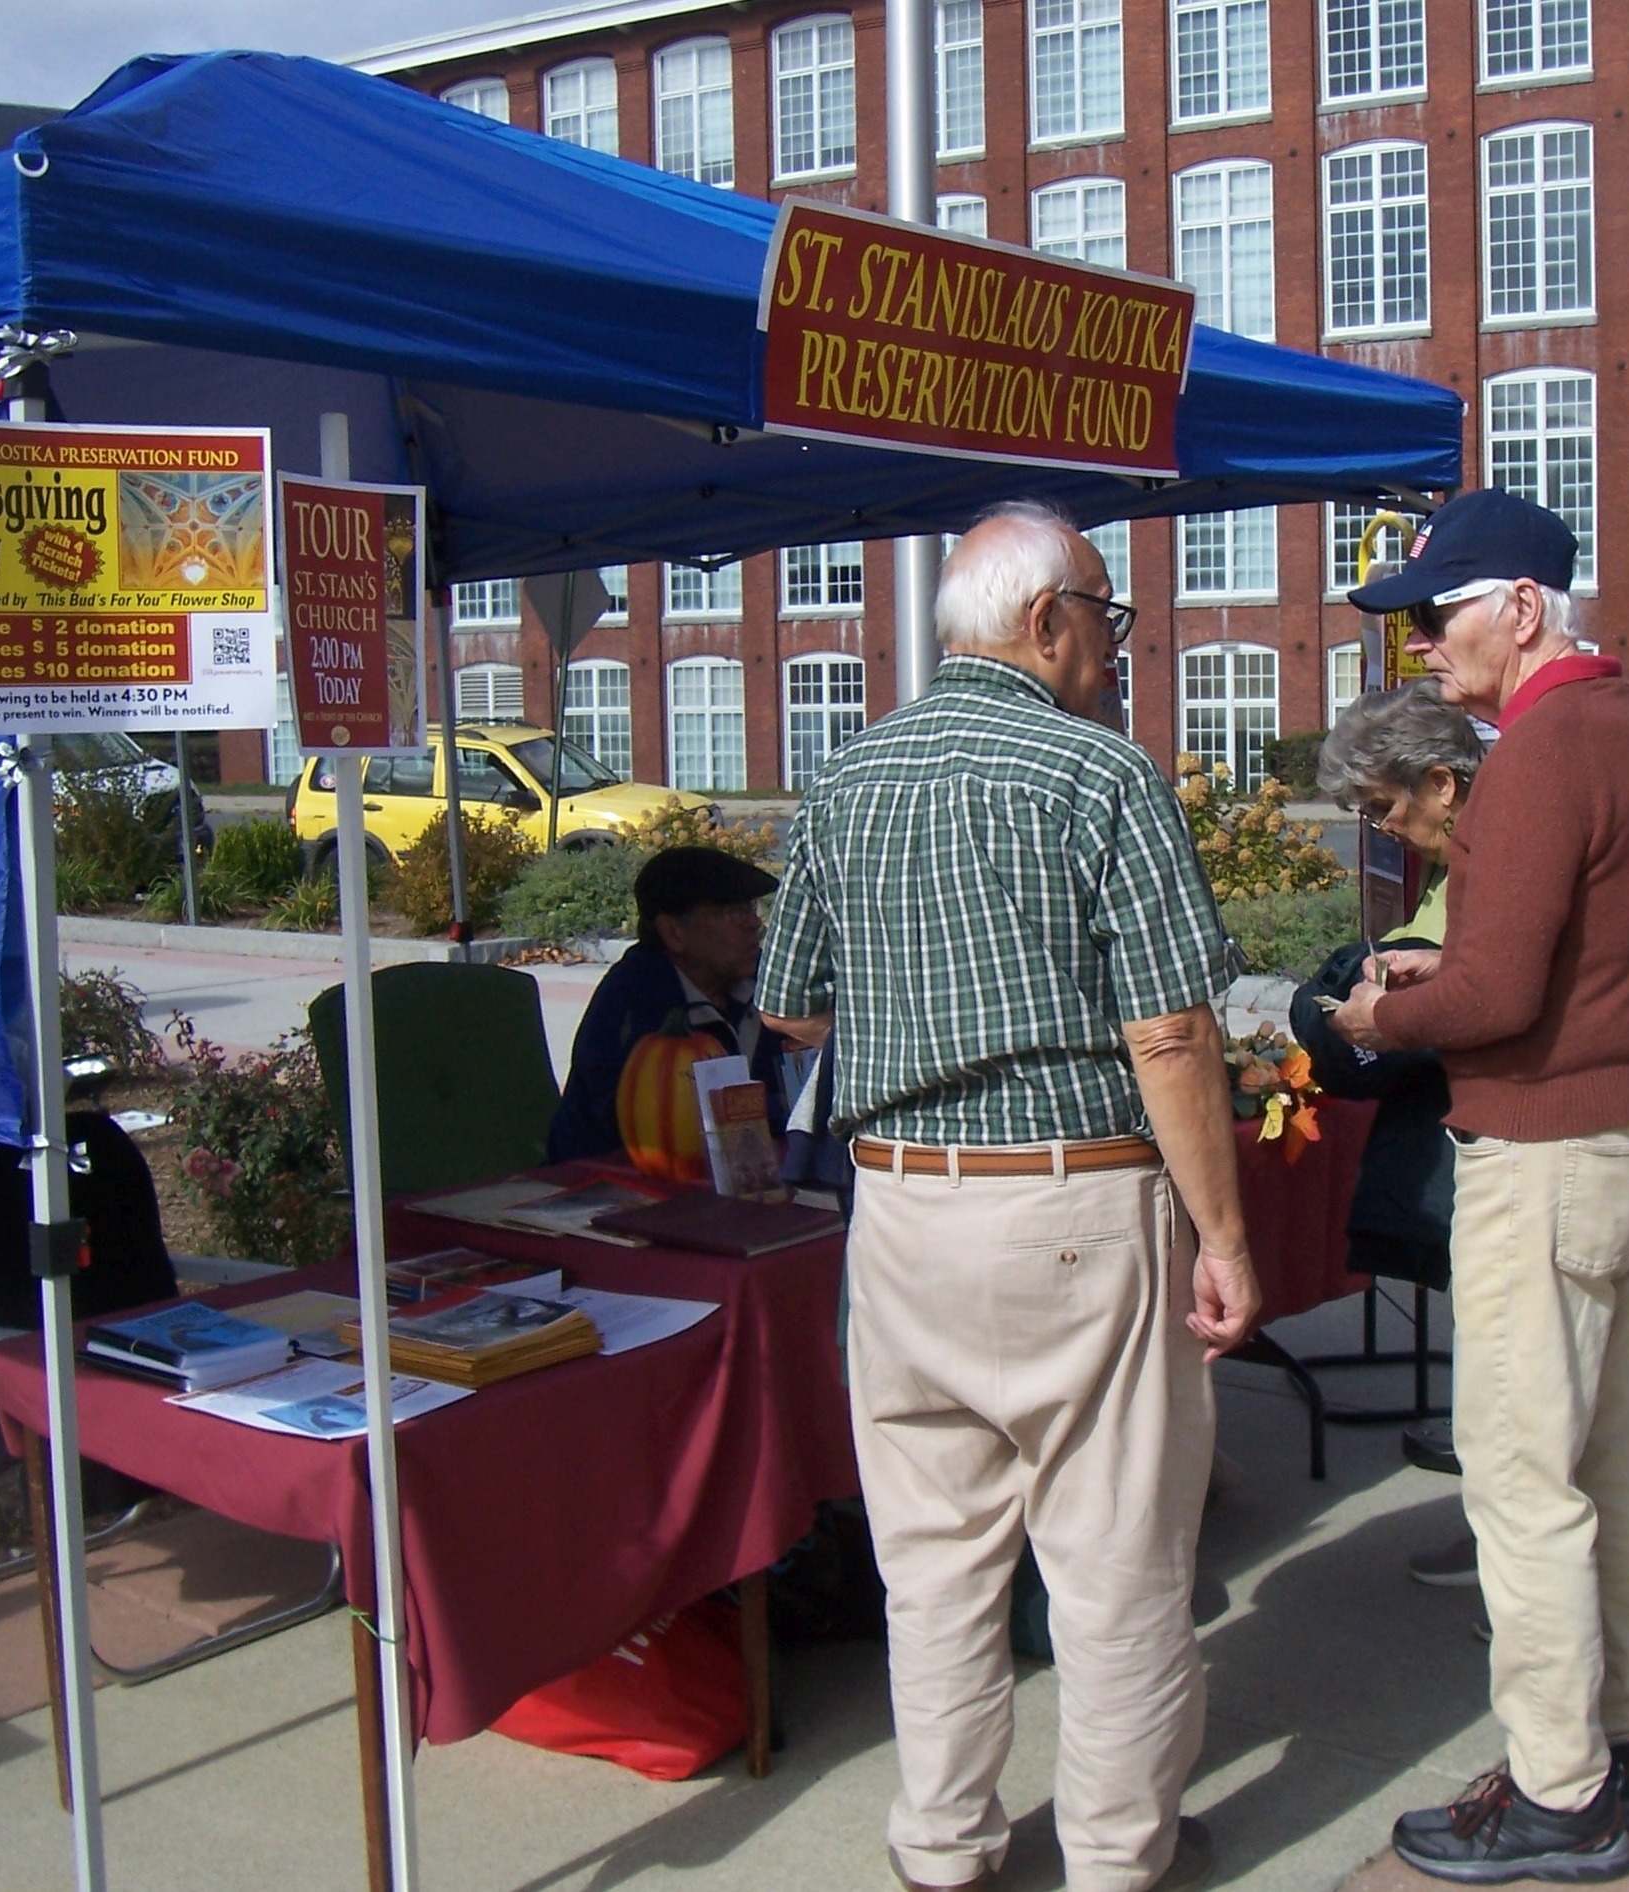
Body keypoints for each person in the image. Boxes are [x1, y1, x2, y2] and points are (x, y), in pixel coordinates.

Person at [757, 500, 1259, 1892]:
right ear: (1047, 621)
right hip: (1075, 1210)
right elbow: (1171, 1033)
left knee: (933, 1569)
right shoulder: (1103, 777)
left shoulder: (847, 778)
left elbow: (792, 1011)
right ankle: (1115, 1857)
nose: (1120, 647)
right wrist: (1223, 1236)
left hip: (902, 1212)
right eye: (1110, 616)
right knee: (1113, 1572)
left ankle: (944, 1848)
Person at [1333, 487, 1629, 1883]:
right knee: (1612, 1459)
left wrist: (1380, 1017)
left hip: (1548, 1152)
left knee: (1522, 1480)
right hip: (1628, 1130)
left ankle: (1560, 1795)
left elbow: (1496, 991)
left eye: (1435, 614)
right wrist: (1462, 970)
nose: (1420, 642)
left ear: (1522, 609)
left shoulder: (1544, 746)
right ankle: (1616, 1735)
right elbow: (1580, 956)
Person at [1294, 680, 1484, 1585]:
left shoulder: (1496, 854)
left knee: (1518, 1376)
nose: (1379, 830)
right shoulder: (1464, 857)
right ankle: (1504, 1547)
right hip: (1479, 1131)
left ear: (1442, 783)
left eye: (1382, 808)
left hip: (1504, 1145)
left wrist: (1386, 1007)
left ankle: (1523, 1579)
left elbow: (1492, 991)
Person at [546, 844, 783, 1163]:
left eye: (751, 908)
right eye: (731, 911)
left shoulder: (764, 984)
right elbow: (634, 1127)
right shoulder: (634, 1001)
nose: (753, 923)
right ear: (673, 933)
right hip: (618, 1186)